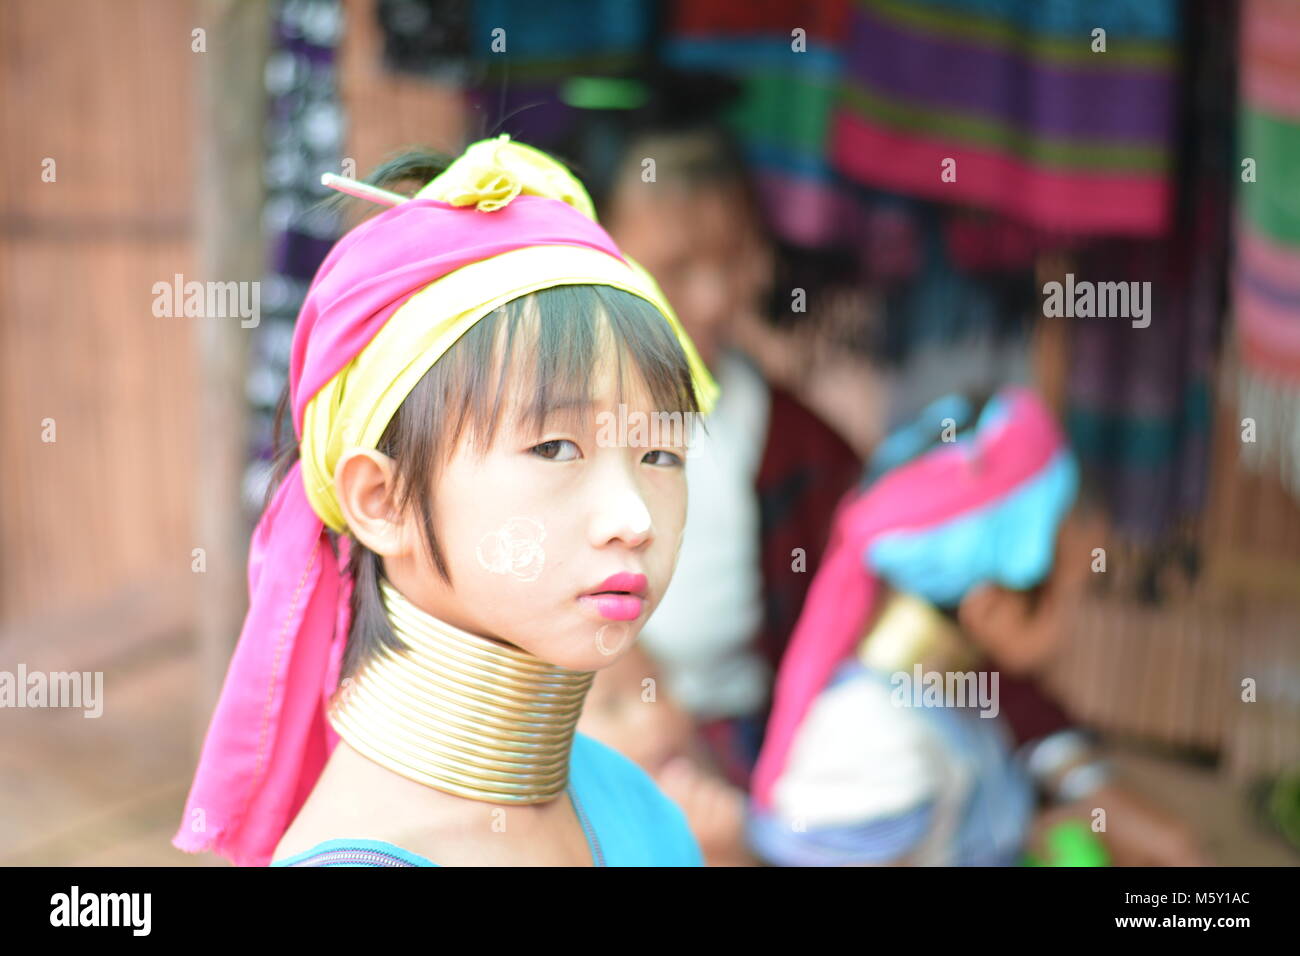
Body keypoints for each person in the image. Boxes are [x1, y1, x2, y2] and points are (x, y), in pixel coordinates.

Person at [171, 135, 719, 867]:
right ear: (383, 499)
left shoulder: (643, 807)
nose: (634, 519)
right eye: (556, 448)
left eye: (661, 455)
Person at [747, 388, 1208, 866]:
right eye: (1075, 593)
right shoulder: (875, 747)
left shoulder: (949, 693)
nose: (1077, 622)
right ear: (990, 610)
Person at [597, 125, 862, 790]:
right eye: (678, 268)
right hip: (586, 729)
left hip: (736, 743)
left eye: (735, 258)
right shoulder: (531, 427)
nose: (714, 299)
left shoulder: (800, 446)